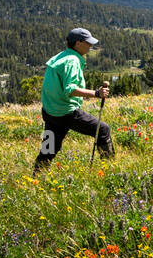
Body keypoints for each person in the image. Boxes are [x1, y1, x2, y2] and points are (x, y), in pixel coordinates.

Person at [33, 27, 113, 173]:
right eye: (87, 43)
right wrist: (97, 93)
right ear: (78, 43)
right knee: (102, 129)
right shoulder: (72, 61)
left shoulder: (61, 56)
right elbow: (70, 89)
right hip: (66, 113)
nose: (90, 46)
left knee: (49, 149)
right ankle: (109, 170)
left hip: (50, 112)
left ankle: (36, 177)